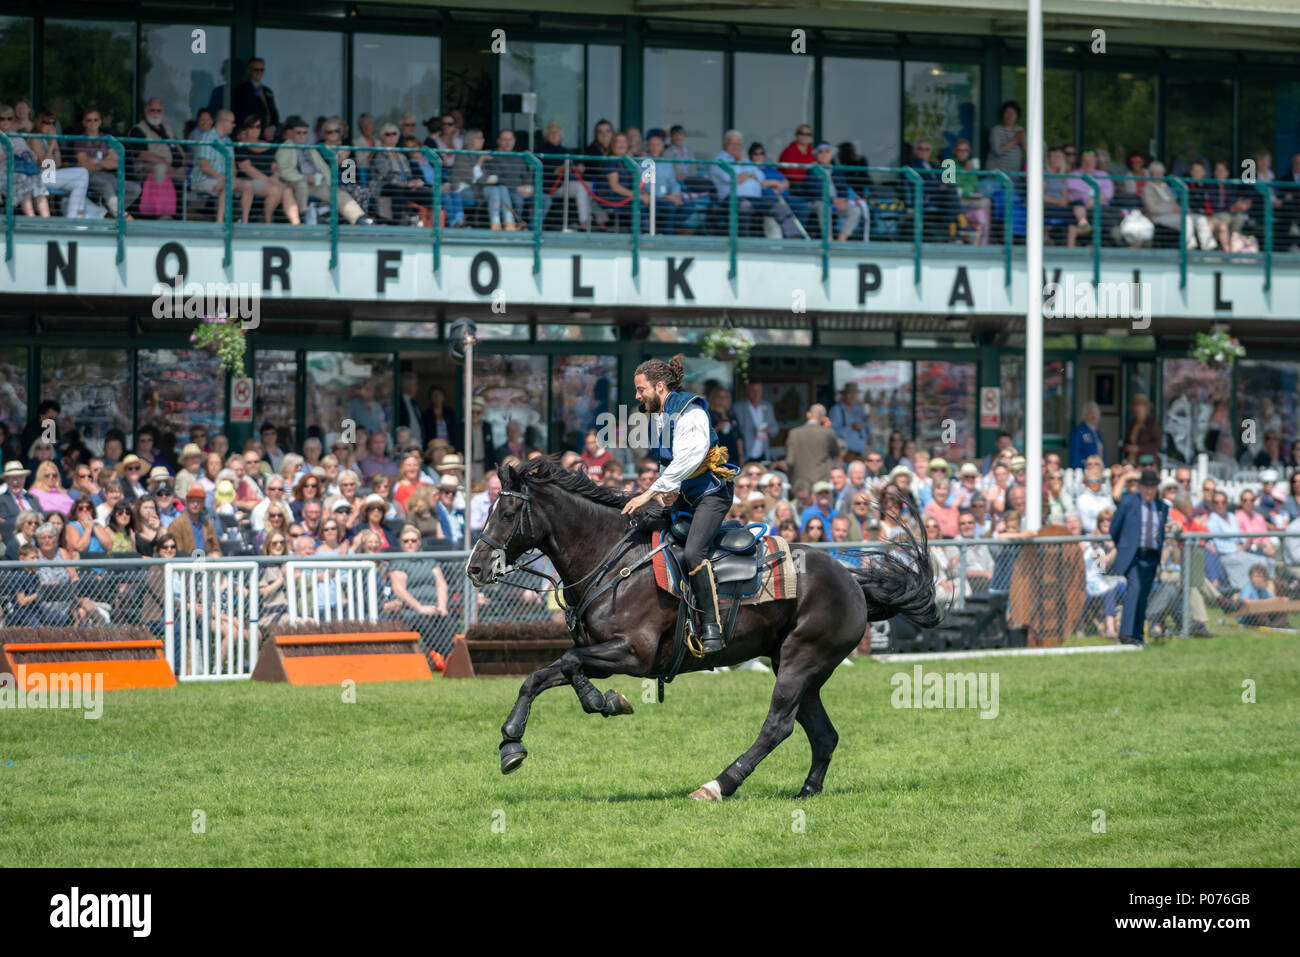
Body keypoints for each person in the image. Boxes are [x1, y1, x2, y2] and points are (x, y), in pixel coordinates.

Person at [620, 355, 738, 654]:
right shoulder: (660, 414)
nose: (637, 396)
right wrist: (667, 490)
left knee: (694, 552)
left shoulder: (690, 411)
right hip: (685, 494)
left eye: (640, 389)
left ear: (659, 386)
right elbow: (669, 462)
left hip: (712, 494)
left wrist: (650, 493)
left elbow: (691, 456)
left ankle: (712, 627)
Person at [1108, 469, 1169, 646]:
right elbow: (1114, 529)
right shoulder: (1128, 502)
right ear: (1140, 487)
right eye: (1146, 487)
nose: (1149, 491)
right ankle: (1125, 635)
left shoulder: (1161, 507)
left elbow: (1160, 530)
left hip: (1151, 555)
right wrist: (1125, 545)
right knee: (1134, 590)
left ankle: (1138, 635)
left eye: (1152, 488)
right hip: (1133, 555)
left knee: (1143, 595)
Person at [74, 107, 141, 218]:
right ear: (84, 123)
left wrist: (96, 161)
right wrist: (104, 162)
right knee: (106, 186)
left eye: (95, 120)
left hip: (108, 176)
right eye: (89, 120)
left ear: (100, 122)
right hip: (89, 177)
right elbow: (84, 166)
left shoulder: (107, 139)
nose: (93, 123)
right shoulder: (80, 140)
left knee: (135, 188)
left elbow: (115, 163)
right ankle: (121, 216)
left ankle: (110, 214)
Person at [783, 404, 840, 488]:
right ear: (824, 418)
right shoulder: (828, 433)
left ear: (808, 415)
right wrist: (826, 429)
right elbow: (836, 455)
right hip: (822, 480)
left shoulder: (794, 433)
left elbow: (790, 461)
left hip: (800, 481)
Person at [232, 57, 280, 141]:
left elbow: (274, 112)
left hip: (269, 136)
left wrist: (272, 128)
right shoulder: (241, 89)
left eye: (261, 70)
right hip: (250, 134)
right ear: (249, 70)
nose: (259, 72)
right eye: (256, 69)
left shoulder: (267, 91)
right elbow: (240, 113)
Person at [168, 486, 221, 557]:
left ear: (203, 503)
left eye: (199, 501)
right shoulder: (176, 525)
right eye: (192, 501)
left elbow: (215, 547)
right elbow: (178, 551)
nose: (195, 504)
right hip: (186, 563)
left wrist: (214, 554)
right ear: (186, 502)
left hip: (207, 562)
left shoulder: (208, 524)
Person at [829, 383, 869, 459]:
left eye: (855, 393)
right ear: (844, 395)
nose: (853, 396)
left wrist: (870, 421)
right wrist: (851, 427)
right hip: (846, 454)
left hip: (861, 453)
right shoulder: (837, 410)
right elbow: (832, 433)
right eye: (850, 393)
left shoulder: (858, 410)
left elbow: (867, 431)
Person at [1069, 401, 1107, 468]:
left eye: (1095, 412)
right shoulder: (1079, 431)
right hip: (1084, 469)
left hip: (1097, 469)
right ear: (1085, 414)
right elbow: (1074, 454)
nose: (1093, 415)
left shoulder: (1097, 432)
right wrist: (1076, 470)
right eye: (1090, 412)